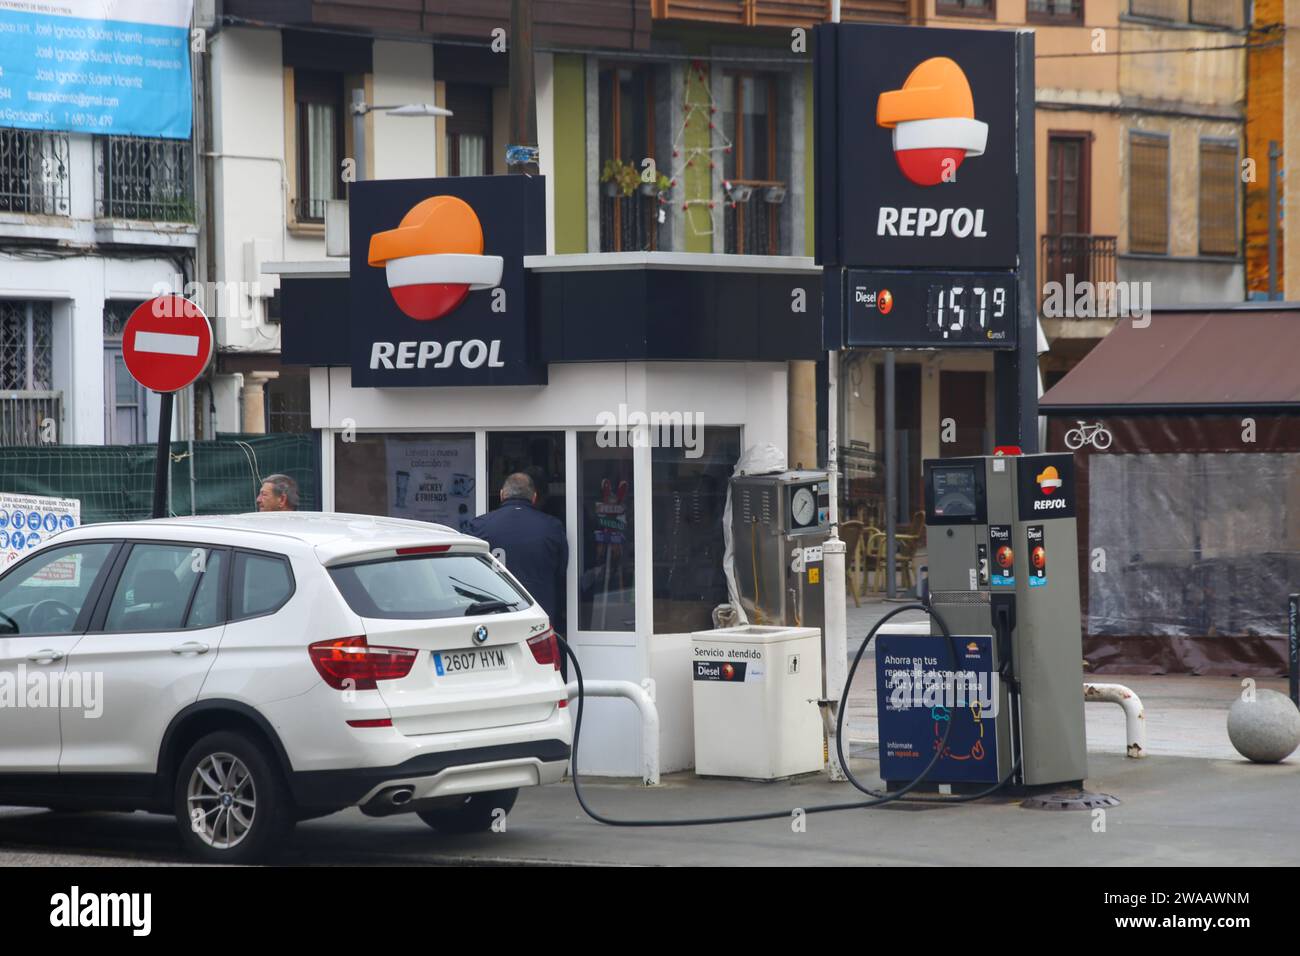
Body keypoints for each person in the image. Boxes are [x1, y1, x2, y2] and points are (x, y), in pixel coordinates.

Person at [467, 472, 569, 675]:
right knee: (543, 677)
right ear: (534, 497)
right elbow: (561, 572)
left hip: (491, 621)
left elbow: (467, 575)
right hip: (538, 620)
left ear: (502, 494)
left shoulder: (479, 526)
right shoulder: (552, 527)